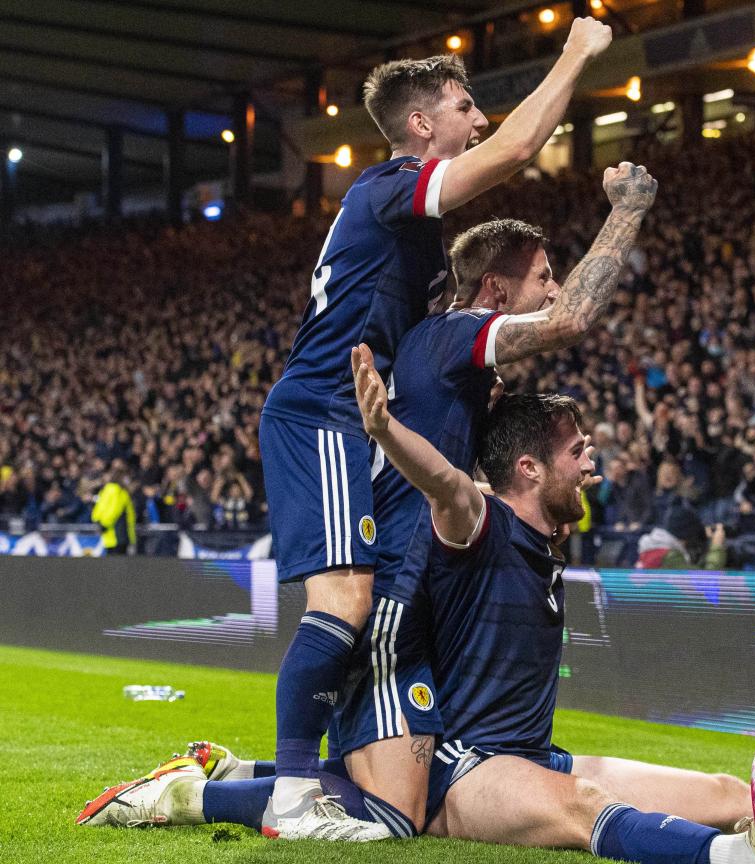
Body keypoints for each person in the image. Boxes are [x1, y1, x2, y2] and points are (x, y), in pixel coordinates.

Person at [78, 384, 755, 860]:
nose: (594, 461)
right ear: (523, 469)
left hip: (529, 751)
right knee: (584, 810)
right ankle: (731, 859)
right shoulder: (479, 519)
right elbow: (444, 482)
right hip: (460, 768)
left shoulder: (551, 533)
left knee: (722, 782)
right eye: (576, 450)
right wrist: (388, 430)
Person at [256, 17, 614, 840]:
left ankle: (268, 784)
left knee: (354, 621)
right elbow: (516, 152)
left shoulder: (412, 240)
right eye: (463, 106)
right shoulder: (388, 186)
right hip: (324, 408)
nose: (477, 119)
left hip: (345, 417)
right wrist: (574, 54)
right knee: (344, 601)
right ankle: (286, 794)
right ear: (421, 126)